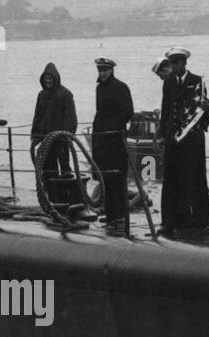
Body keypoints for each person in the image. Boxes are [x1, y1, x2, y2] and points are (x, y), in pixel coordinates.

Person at [159, 47, 209, 236]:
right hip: (173, 139)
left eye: (177, 63)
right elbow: (165, 111)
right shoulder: (168, 83)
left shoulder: (197, 81)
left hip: (191, 139)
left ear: (184, 63)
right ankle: (171, 220)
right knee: (171, 179)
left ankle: (199, 220)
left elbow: (202, 109)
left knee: (194, 177)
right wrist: (161, 135)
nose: (174, 66)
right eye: (172, 63)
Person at [31, 62, 82, 214]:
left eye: (50, 78)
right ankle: (51, 200)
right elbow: (37, 116)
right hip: (45, 140)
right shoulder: (42, 95)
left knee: (65, 169)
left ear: (56, 78)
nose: (48, 81)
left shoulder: (65, 94)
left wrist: (66, 135)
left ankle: (67, 202)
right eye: (46, 78)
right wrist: (35, 135)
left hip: (60, 139)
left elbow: (70, 118)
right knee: (47, 171)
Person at [91, 57, 134, 232]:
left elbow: (127, 112)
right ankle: (110, 215)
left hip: (115, 140)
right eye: (100, 70)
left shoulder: (121, 87)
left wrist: (111, 128)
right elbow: (99, 113)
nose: (102, 73)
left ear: (111, 70)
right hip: (102, 139)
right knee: (106, 179)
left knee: (117, 178)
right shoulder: (99, 89)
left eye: (105, 70)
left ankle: (120, 216)